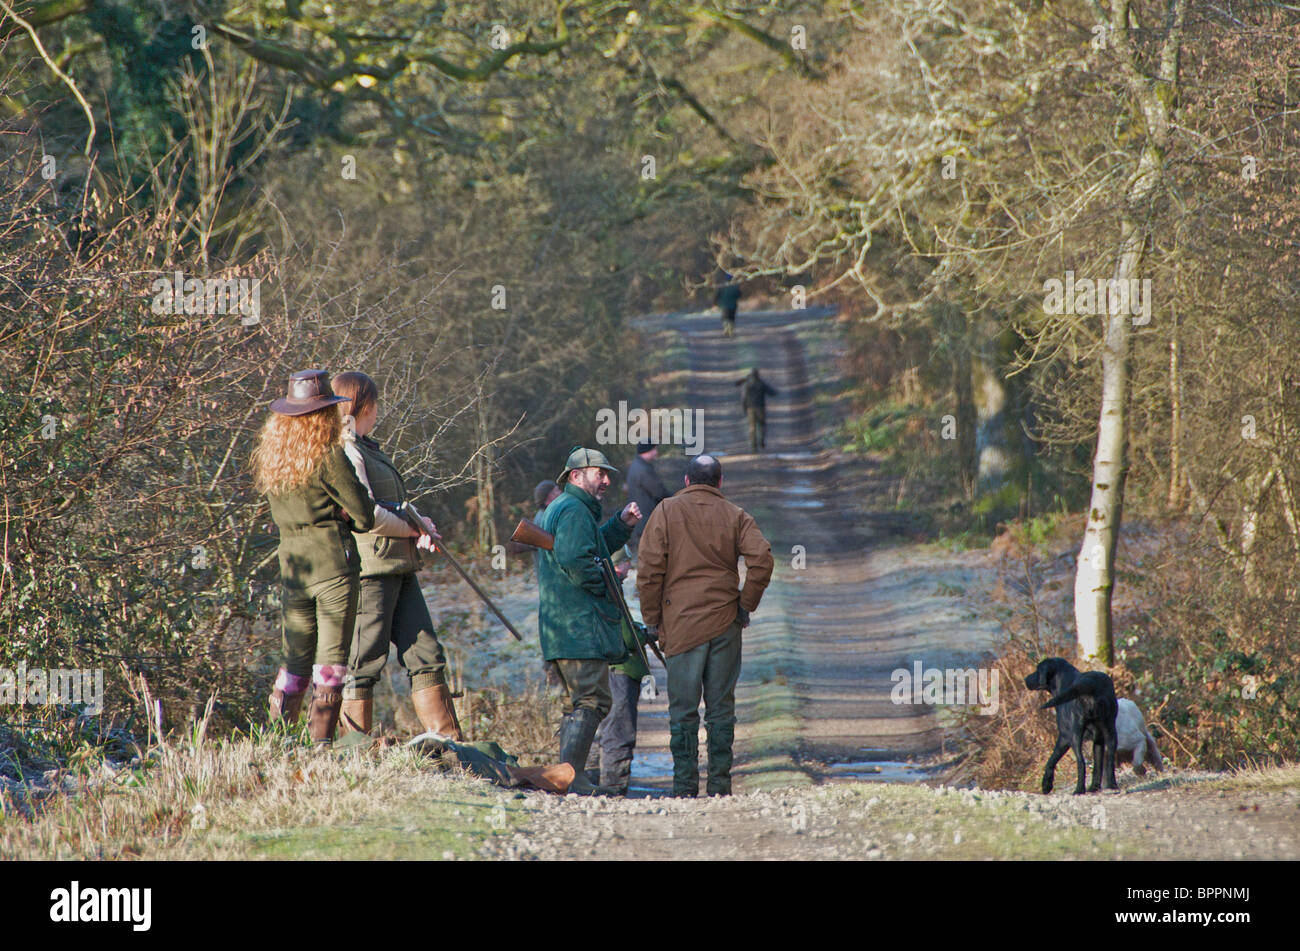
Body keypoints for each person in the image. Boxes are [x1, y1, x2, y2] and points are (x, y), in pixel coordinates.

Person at [328, 371, 463, 740]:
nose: (379, 410)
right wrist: (412, 528)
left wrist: (419, 519)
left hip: (398, 565)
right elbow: (367, 514)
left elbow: (391, 503)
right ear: (363, 406)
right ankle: (353, 752)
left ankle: (452, 747)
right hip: (370, 570)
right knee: (364, 663)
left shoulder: (367, 445)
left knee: (426, 655)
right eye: (375, 403)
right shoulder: (345, 449)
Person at [636, 454, 773, 796]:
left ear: (686, 481)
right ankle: (720, 786)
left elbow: (649, 571)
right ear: (720, 482)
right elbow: (763, 561)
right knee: (721, 709)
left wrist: (652, 620)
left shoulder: (666, 511)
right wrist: (745, 605)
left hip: (681, 627)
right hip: (725, 623)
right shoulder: (736, 515)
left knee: (683, 712)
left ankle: (684, 787)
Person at [253, 369, 376, 745]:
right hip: (333, 570)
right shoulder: (328, 455)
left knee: (295, 662)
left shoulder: (273, 459)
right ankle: (320, 746)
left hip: (292, 569)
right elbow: (364, 514)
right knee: (330, 665)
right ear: (323, 412)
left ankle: (278, 742)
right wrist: (340, 513)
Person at [536, 446, 650, 795]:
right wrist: (610, 582)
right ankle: (573, 778)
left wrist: (619, 525)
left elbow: (592, 547)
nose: (606, 479)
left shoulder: (574, 509)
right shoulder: (572, 509)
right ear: (575, 476)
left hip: (569, 627)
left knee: (582, 702)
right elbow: (577, 560)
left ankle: (568, 776)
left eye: (606, 474)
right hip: (578, 628)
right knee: (592, 701)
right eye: (598, 473)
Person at [624, 441, 671, 558]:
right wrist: (676, 500)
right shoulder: (643, 469)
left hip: (641, 520)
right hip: (647, 520)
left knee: (646, 556)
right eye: (654, 449)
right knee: (652, 557)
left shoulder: (636, 465)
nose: (656, 453)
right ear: (647, 450)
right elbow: (659, 492)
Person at [736, 367, 778, 452]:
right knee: (762, 425)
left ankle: (753, 446)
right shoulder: (761, 383)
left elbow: (743, 397)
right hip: (760, 408)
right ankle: (761, 441)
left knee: (752, 427)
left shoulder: (746, 384)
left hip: (750, 408)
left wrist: (744, 408)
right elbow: (772, 392)